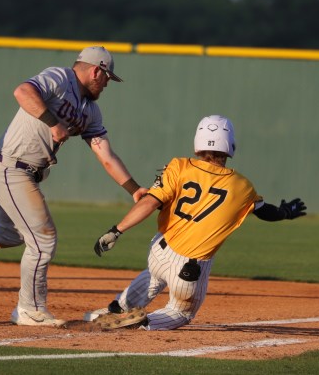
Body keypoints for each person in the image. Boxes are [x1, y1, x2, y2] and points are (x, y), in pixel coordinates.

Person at [0, 46, 148, 327]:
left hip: (24, 174)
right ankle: (29, 309)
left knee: (9, 233)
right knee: (43, 239)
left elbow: (106, 155)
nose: (107, 84)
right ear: (96, 70)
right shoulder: (60, 77)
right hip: (10, 167)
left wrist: (134, 189)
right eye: (107, 77)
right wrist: (53, 123)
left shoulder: (91, 111)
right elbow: (22, 92)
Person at [88, 114, 306, 331]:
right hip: (189, 268)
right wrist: (285, 212)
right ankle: (143, 322)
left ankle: (114, 310)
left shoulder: (179, 166)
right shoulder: (242, 186)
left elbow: (150, 202)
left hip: (159, 250)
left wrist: (117, 230)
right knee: (181, 311)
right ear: (230, 144)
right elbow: (266, 211)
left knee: (154, 276)